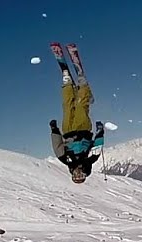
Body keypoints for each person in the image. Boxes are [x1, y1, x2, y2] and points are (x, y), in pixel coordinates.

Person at [49, 42, 105, 184]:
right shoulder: (90, 159)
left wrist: (55, 130)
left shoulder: (66, 160)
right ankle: (83, 85)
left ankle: (67, 83)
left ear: (72, 174)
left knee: (67, 106)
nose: (78, 173)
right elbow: (98, 146)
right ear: (85, 174)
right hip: (83, 129)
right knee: (81, 105)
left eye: (76, 176)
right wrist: (100, 132)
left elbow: (57, 147)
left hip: (67, 130)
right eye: (81, 176)